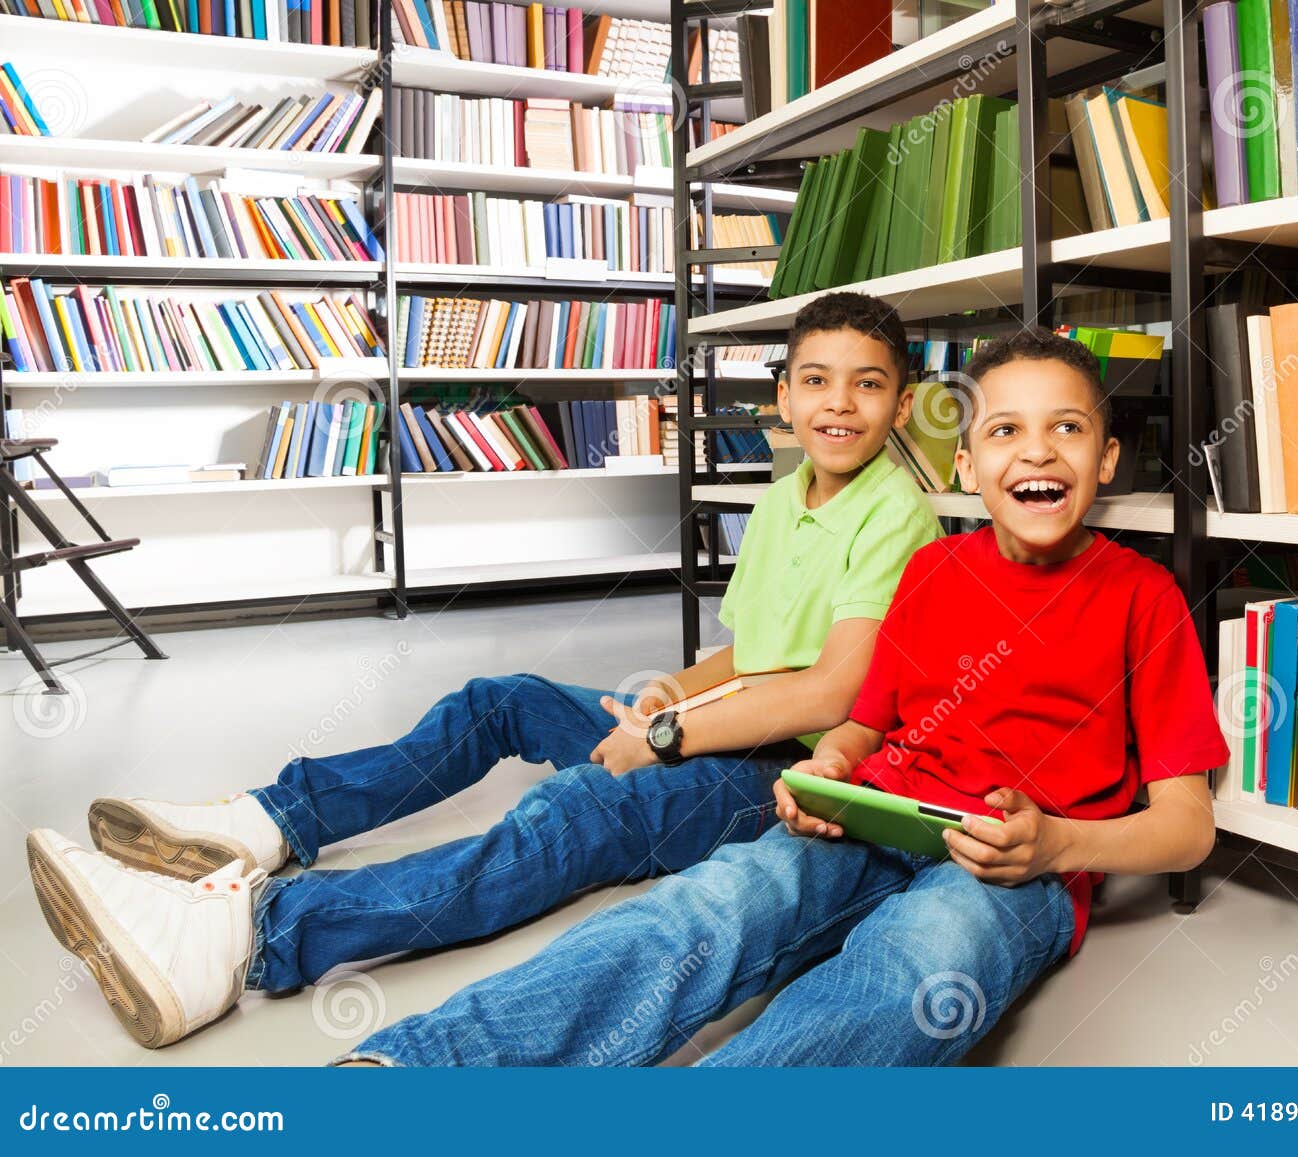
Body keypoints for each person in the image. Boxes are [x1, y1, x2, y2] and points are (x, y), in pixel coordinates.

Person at [25, 291, 943, 1049]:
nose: (838, 403)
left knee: (577, 812)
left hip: (784, 772)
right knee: (500, 702)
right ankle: (269, 818)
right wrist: (672, 690)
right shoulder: (783, 499)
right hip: (719, 718)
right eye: (816, 381)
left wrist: (662, 736)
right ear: (781, 396)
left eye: (867, 386)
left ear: (903, 405)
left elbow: (831, 691)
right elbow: (752, 651)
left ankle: (242, 938)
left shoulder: (896, 511)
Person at [332, 326, 1230, 1067]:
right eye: (1005, 431)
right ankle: (420, 1071)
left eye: (1066, 428)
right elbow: (861, 723)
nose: (1036, 449)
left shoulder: (1142, 598)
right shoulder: (933, 571)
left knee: (915, 963)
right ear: (962, 464)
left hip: (1013, 868)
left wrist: (1060, 843)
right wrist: (830, 768)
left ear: (1106, 458)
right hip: (875, 816)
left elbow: (1189, 825)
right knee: (709, 906)